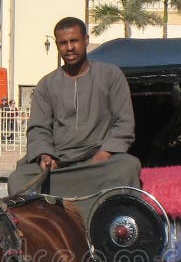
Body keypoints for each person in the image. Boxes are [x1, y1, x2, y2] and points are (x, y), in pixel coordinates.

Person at [7, 16, 139, 219]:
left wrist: (105, 153)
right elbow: (39, 129)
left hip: (98, 162)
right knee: (18, 179)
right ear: (57, 45)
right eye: (63, 43)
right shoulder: (46, 85)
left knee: (127, 167)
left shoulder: (111, 75)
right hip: (59, 166)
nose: (69, 48)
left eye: (74, 41)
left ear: (85, 40)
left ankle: (108, 225)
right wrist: (45, 154)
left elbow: (124, 123)